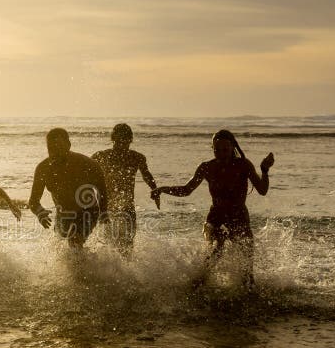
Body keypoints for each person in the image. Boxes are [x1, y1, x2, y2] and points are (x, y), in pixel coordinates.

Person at [155, 129, 274, 288]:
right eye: (217, 150)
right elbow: (186, 190)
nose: (221, 153)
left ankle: (247, 297)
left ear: (233, 148)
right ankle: (196, 287)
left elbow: (262, 190)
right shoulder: (207, 167)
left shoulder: (243, 165)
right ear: (212, 149)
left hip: (239, 217)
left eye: (225, 149)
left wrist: (265, 171)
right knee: (216, 249)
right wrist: (162, 189)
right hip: (216, 217)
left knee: (247, 270)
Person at [29, 128, 108, 249]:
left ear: (68, 145)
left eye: (59, 148)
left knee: (74, 240)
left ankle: (89, 266)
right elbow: (33, 201)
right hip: (63, 215)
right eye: (51, 149)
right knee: (59, 250)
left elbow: (102, 192)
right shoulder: (43, 169)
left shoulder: (87, 164)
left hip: (88, 212)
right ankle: (90, 265)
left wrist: (103, 213)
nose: (55, 153)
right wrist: (40, 212)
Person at [92, 123, 160, 255]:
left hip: (127, 208)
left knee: (127, 247)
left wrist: (155, 191)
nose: (123, 144)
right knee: (106, 245)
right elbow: (85, 172)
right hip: (105, 207)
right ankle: (107, 273)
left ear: (130, 140)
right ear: (113, 139)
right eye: (119, 140)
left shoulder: (137, 157)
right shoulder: (101, 156)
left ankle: (124, 274)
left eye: (126, 140)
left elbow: (147, 176)